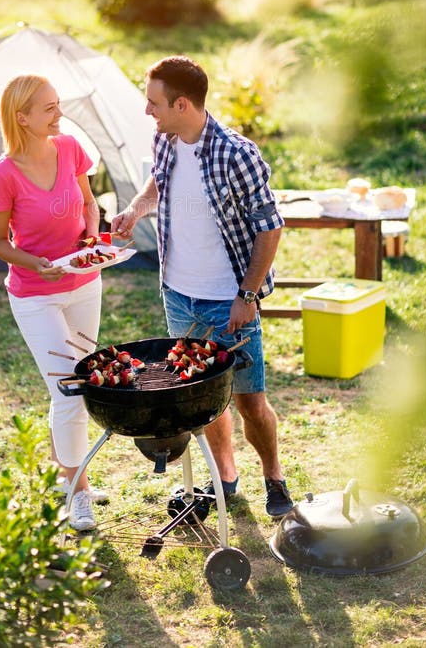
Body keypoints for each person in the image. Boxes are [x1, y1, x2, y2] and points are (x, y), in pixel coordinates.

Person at [111, 56, 294, 517]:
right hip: (178, 295)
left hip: (229, 300)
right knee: (203, 401)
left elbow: (270, 228)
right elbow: (160, 182)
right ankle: (225, 481)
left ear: (182, 103)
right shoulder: (166, 139)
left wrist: (247, 297)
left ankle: (274, 479)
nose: (147, 111)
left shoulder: (238, 153)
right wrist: (135, 210)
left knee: (251, 401)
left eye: (154, 103)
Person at [0, 74, 106, 532]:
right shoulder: (2, 175)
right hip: (36, 295)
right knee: (69, 391)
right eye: (49, 108)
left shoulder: (70, 147)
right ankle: (79, 492)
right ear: (23, 119)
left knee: (81, 384)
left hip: (84, 283)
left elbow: (89, 203)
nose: (59, 114)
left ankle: (68, 474)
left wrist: (92, 237)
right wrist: (36, 263)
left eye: (58, 104)